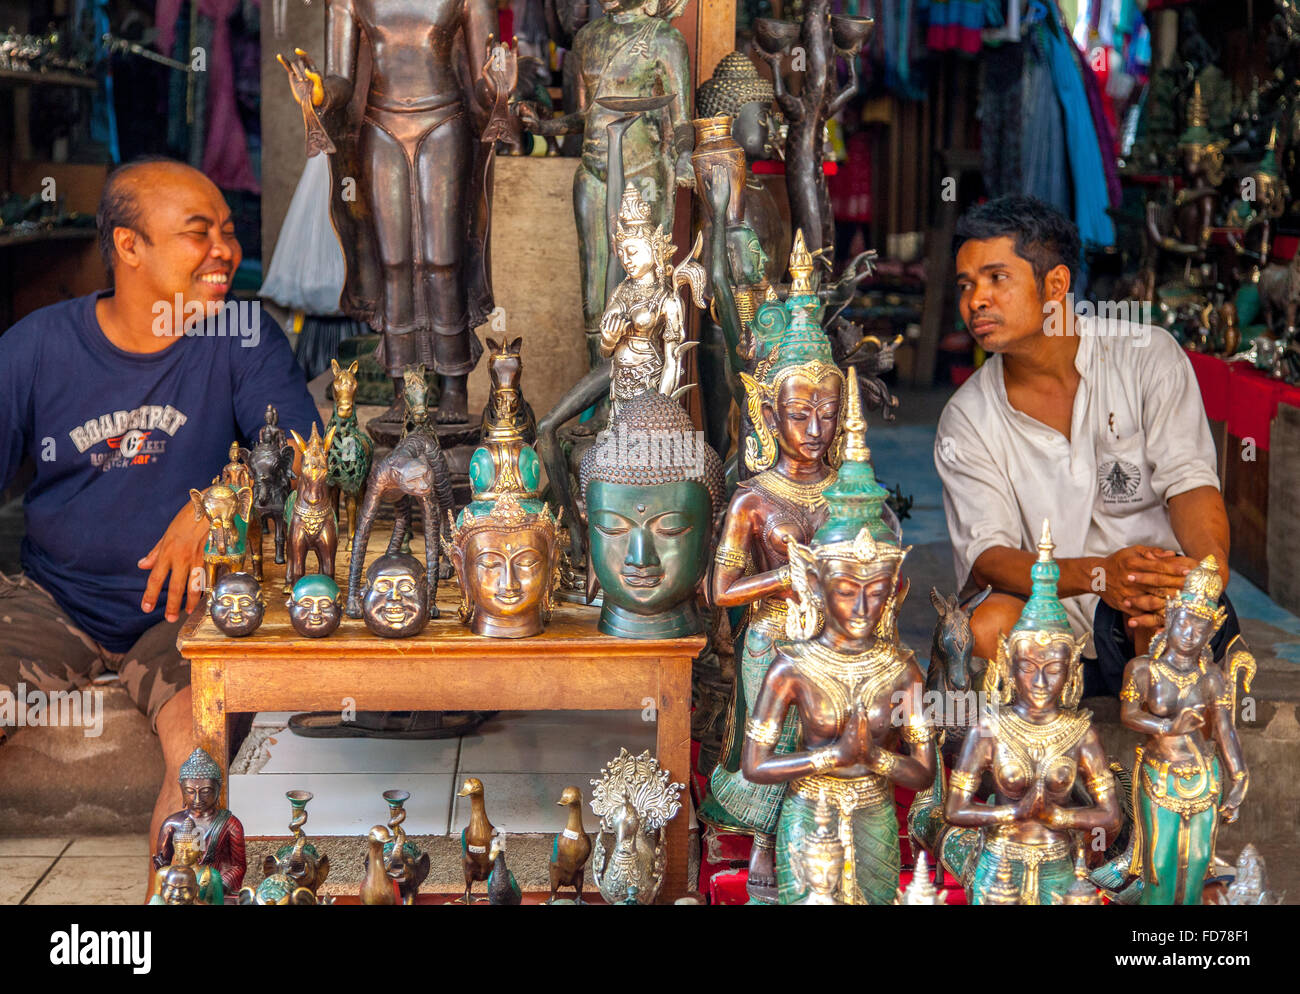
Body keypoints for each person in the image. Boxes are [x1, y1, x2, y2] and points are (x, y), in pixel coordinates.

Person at [0, 158, 321, 878]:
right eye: (198, 234)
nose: (225, 252)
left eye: (229, 234)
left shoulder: (243, 336)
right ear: (128, 247)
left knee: (200, 763)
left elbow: (305, 460)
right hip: (53, 603)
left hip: (188, 615)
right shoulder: (36, 348)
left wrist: (220, 502)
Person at [933, 194, 1237, 697]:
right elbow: (988, 556)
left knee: (1157, 612)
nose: (975, 300)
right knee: (985, 628)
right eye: (966, 285)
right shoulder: (967, 418)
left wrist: (1206, 574)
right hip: (1051, 613)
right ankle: (1029, 767)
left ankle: (1166, 770)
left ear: (1055, 285)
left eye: (996, 278)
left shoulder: (1147, 357)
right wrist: (1099, 576)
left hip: (1154, 597)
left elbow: (1190, 484)